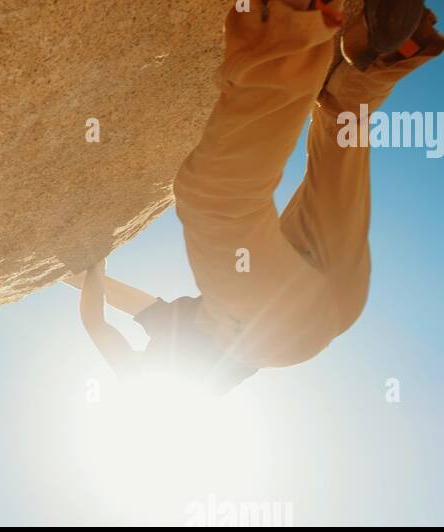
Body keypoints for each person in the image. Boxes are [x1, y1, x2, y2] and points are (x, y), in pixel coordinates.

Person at [69, 0, 443, 394]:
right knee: (213, 200)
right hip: (267, 325)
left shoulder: (168, 334)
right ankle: (293, 27)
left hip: (331, 305)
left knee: (340, 140)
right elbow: (97, 323)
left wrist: (80, 272)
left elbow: (123, 303)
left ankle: (383, 58)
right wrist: (88, 264)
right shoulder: (144, 381)